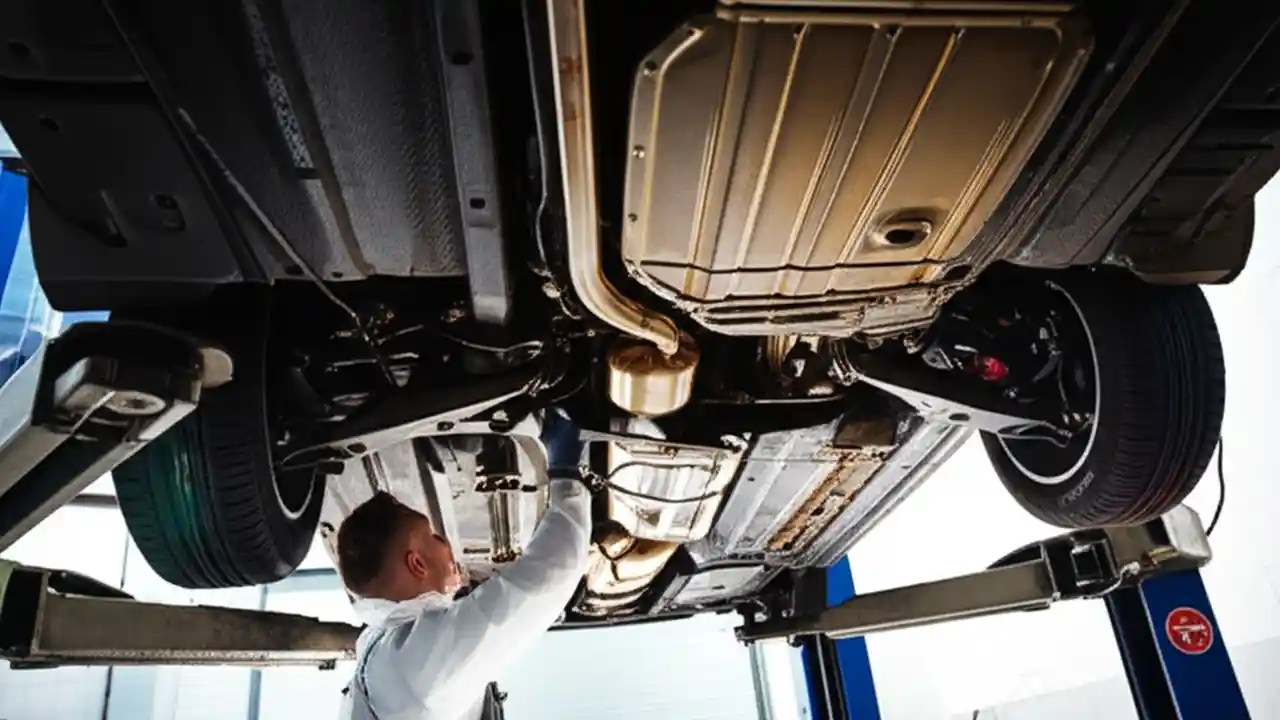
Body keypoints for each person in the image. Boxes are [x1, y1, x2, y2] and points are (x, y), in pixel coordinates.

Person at [337, 416, 590, 720]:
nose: (445, 545)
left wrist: (567, 477)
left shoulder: (416, 671)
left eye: (433, 536)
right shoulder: (380, 652)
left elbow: (550, 576)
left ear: (417, 562)